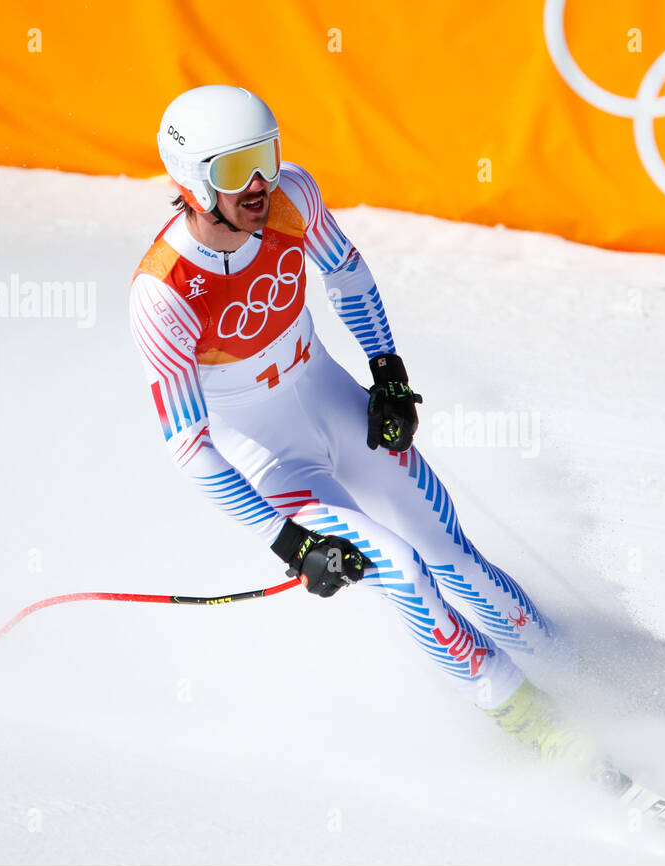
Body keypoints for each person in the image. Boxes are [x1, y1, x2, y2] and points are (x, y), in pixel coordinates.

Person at [129, 85, 596, 764]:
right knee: (401, 568)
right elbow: (189, 445)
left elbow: (345, 272)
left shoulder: (294, 196)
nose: (258, 184)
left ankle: (589, 683)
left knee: (454, 557)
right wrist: (286, 541)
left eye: (265, 156)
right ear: (193, 182)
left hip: (332, 403)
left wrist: (387, 373)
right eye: (235, 171)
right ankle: (524, 714)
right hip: (273, 461)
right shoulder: (162, 289)